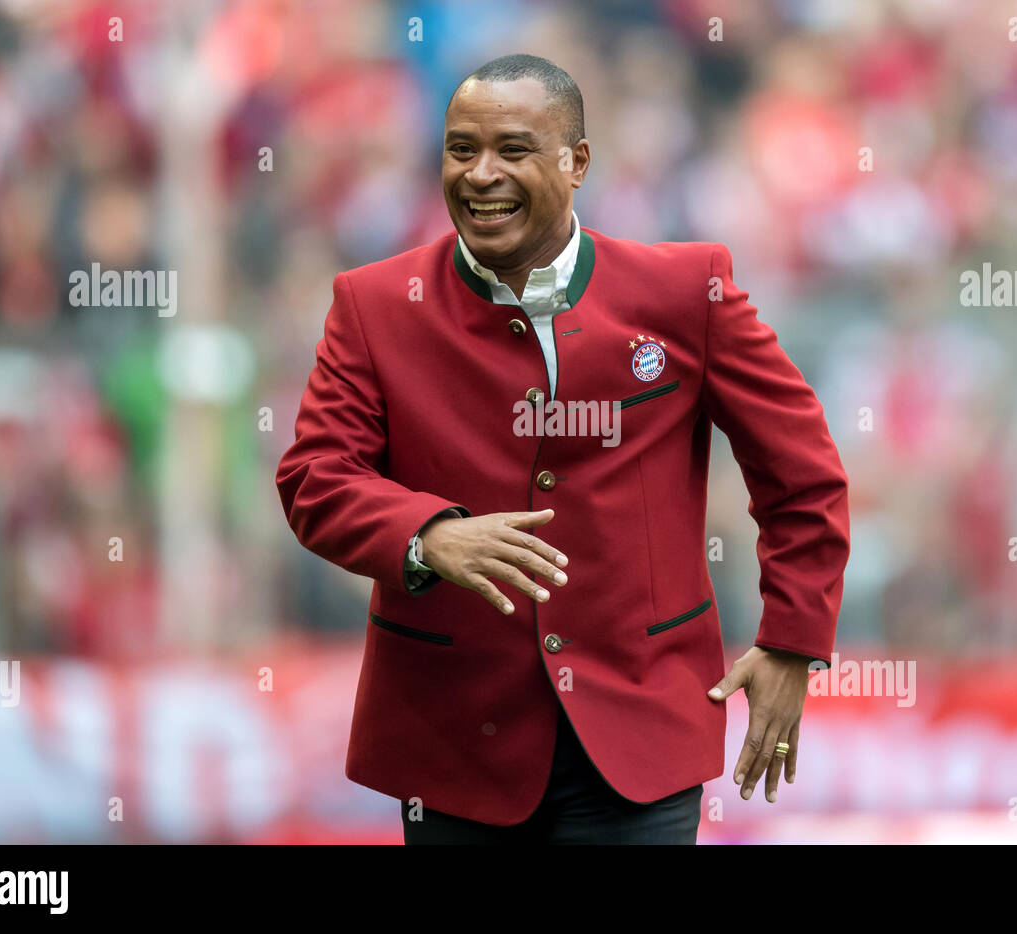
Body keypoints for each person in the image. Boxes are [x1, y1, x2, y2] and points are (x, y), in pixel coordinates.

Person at [276, 54, 850, 844]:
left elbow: (803, 474)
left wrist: (792, 642)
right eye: (460, 149)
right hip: (452, 747)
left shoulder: (689, 291)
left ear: (576, 163)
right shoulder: (373, 306)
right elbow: (314, 477)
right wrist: (429, 535)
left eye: (512, 150)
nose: (480, 175)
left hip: (641, 737)